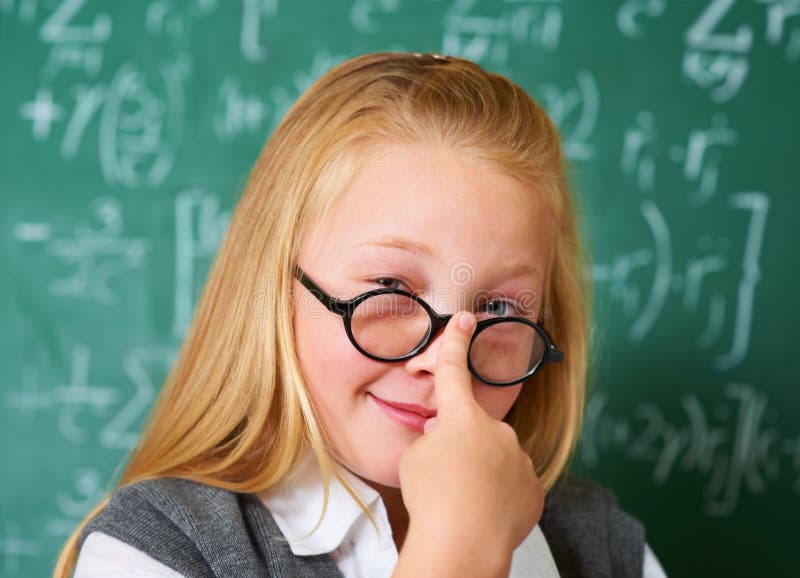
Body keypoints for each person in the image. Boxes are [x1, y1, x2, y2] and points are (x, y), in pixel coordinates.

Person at [55, 51, 667, 578]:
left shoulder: (605, 547)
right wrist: (459, 547)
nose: (442, 363)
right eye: (392, 286)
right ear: (280, 288)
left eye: (499, 307)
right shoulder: (159, 550)